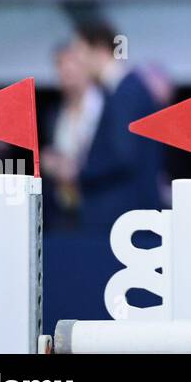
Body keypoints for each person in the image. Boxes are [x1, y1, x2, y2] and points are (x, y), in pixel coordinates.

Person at [72, 21, 163, 230]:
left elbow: (123, 156)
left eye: (80, 53)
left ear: (101, 50)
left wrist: (79, 171)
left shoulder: (126, 93)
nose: (78, 63)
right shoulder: (123, 90)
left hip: (122, 220)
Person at [39, 42, 105, 227]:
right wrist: (48, 162)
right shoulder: (53, 114)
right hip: (62, 215)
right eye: (60, 65)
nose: (66, 70)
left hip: (100, 211)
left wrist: (79, 168)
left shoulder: (107, 108)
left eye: (73, 63)